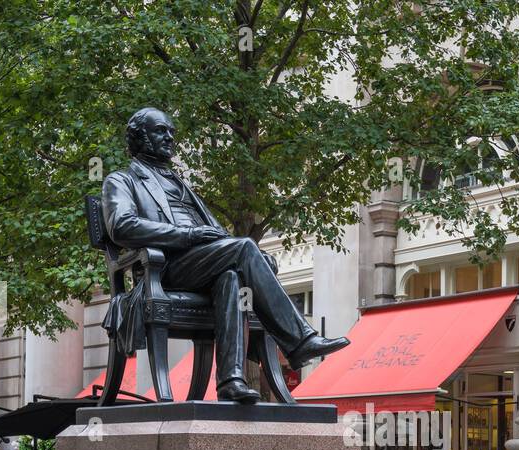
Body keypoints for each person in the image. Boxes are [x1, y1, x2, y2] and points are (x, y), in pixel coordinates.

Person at [101, 107, 350, 403]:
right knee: (245, 248)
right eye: (160, 131)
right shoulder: (121, 180)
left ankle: (231, 380)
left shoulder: (181, 184)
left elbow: (217, 234)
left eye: (171, 131)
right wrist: (188, 235)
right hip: (165, 268)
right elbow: (122, 225)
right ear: (140, 137)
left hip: (205, 264)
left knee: (231, 277)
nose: (169, 137)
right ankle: (300, 341)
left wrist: (234, 251)